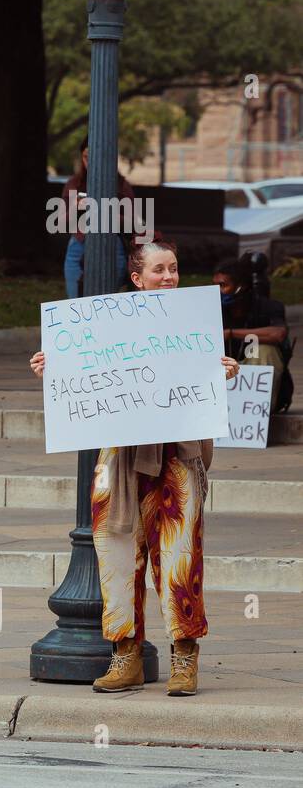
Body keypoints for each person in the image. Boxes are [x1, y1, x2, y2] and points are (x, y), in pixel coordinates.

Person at [30, 240, 240, 696]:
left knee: (181, 557)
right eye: (159, 270)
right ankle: (125, 655)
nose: (169, 277)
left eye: (175, 269)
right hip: (120, 461)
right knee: (116, 556)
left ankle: (185, 657)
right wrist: (55, 370)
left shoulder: (194, 323)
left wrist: (224, 371)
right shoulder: (105, 326)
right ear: (137, 278)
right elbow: (83, 377)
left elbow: (205, 379)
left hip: (177, 458)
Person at [213, 256, 292, 414]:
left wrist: (230, 333)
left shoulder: (268, 307)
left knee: (264, 350)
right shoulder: (212, 310)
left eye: (223, 285)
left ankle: (253, 415)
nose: (217, 291)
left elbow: (278, 333)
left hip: (257, 396)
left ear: (241, 286)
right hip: (224, 386)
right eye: (214, 285)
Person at [61, 138, 135, 299]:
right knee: (75, 301)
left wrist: (107, 213)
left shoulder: (121, 185)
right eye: (86, 157)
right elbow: (61, 222)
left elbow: (134, 223)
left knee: (107, 300)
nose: (91, 161)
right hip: (79, 244)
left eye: (96, 157)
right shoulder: (74, 183)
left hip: (113, 244)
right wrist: (77, 208)